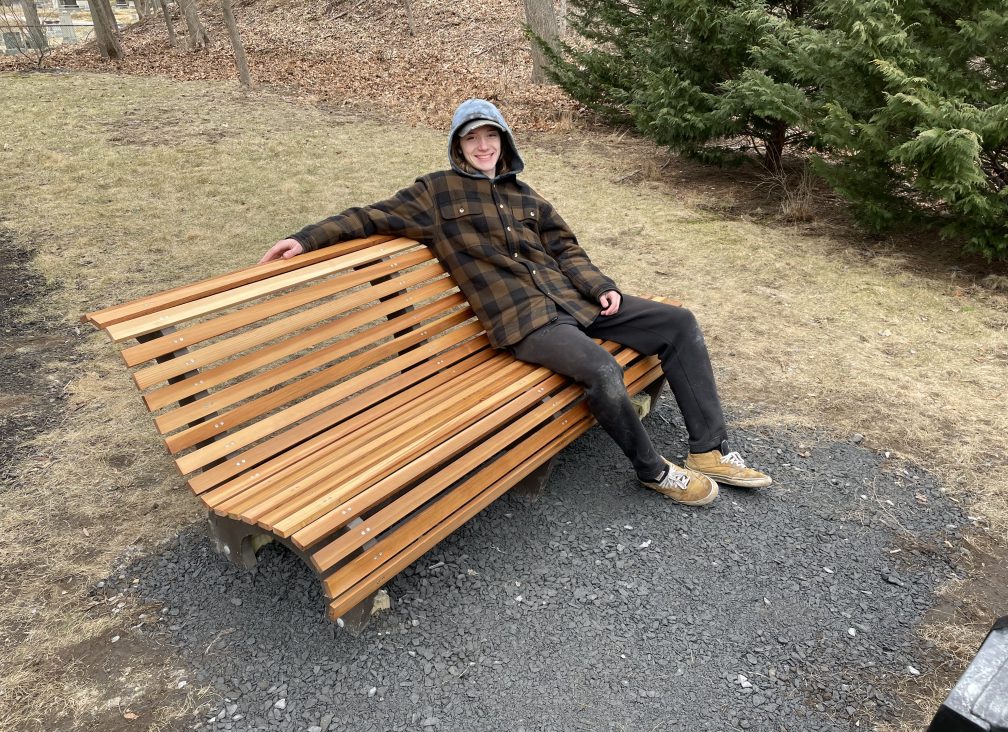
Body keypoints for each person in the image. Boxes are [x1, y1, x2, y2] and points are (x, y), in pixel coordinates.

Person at [260, 98, 771, 506]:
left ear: (504, 141)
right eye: (472, 137)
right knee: (601, 370)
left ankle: (708, 450)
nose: (483, 146)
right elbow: (368, 217)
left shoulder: (525, 196)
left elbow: (565, 247)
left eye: (491, 136)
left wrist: (600, 286)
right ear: (459, 146)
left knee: (678, 323)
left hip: (577, 304)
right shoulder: (434, 193)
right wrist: (306, 239)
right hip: (525, 322)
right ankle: (653, 470)